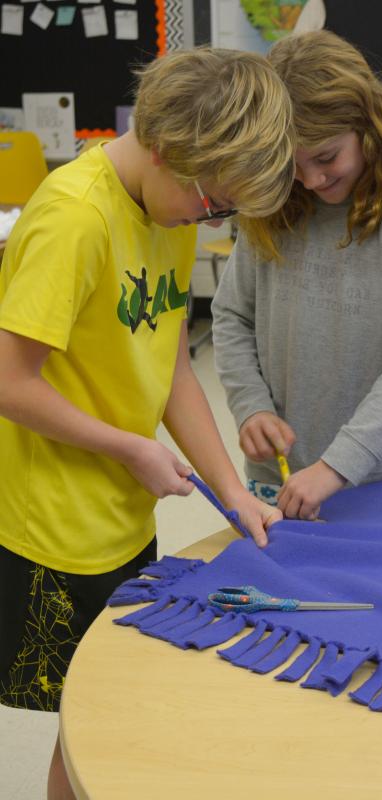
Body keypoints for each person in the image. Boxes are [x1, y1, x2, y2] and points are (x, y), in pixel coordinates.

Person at [0, 47, 294, 799]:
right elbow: (8, 382)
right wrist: (129, 447)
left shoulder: (173, 205)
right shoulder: (73, 219)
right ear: (166, 151)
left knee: (111, 710)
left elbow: (168, 367)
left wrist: (233, 492)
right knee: (84, 720)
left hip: (120, 515)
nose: (212, 216)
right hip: (52, 531)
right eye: (212, 202)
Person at [212, 30, 382, 522]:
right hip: (273, 479)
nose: (312, 180)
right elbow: (232, 315)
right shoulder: (272, 207)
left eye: (326, 157)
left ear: (371, 127)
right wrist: (251, 407)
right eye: (291, 165)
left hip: (374, 478)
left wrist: (337, 466)